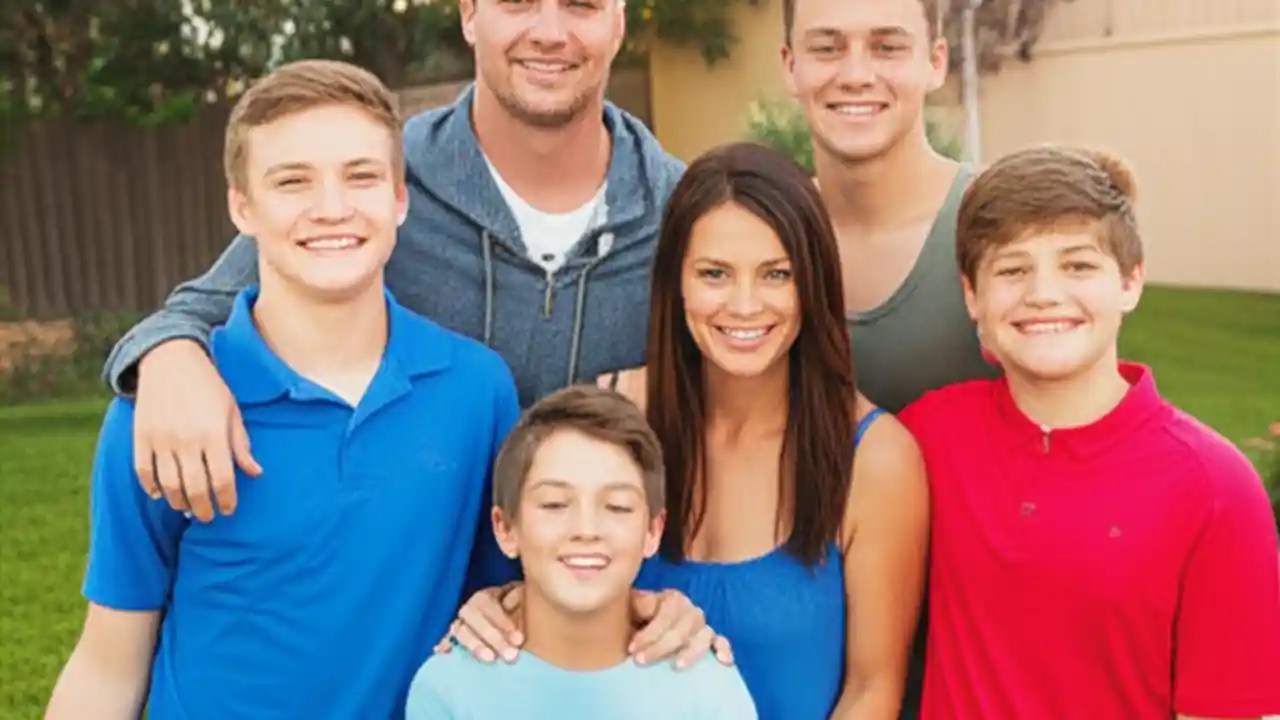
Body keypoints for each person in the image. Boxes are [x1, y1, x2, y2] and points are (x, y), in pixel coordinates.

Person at [94, 0, 719, 665]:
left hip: (590, 638)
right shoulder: (374, 184)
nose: (549, 30)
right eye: (517, 3)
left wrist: (669, 595)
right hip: (428, 653)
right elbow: (201, 307)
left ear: (621, 20)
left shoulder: (683, 214)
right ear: (470, 13)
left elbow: (766, 403)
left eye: (582, 4)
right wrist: (165, 357)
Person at [44, 59, 521, 719]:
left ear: (399, 199)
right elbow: (106, 666)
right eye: (292, 181)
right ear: (243, 206)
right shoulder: (159, 412)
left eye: (361, 176)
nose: (332, 209)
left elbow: (510, 607)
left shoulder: (475, 392)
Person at [450, 142, 930, 720]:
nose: (745, 305)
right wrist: (501, 605)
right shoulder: (605, 421)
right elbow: (548, 593)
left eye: (777, 273)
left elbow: (871, 693)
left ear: (814, 283)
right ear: (675, 281)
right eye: (715, 274)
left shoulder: (875, 460)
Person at [899, 144, 1280, 718]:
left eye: (1078, 264)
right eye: (1012, 269)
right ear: (971, 296)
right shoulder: (927, 437)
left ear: (1131, 281)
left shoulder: (1215, 488)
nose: (1044, 293)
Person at [405, 385, 757, 719]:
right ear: (505, 528)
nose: (586, 530)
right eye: (555, 504)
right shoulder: (449, 689)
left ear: (653, 531)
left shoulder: (707, 691)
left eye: (617, 507)